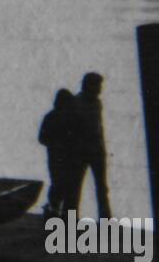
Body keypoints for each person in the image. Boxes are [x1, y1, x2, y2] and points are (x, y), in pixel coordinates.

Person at [71, 72, 111, 218]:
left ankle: (105, 218)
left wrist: (102, 149)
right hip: (81, 151)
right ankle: (72, 219)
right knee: (76, 187)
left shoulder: (97, 103)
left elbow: (99, 127)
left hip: (97, 150)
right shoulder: (76, 102)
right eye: (98, 86)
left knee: (102, 187)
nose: (100, 90)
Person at [37, 89, 79, 217]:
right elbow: (42, 138)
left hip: (57, 157)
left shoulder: (51, 116)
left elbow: (42, 138)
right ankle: (55, 213)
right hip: (61, 157)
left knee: (58, 186)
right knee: (63, 186)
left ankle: (52, 212)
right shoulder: (65, 117)